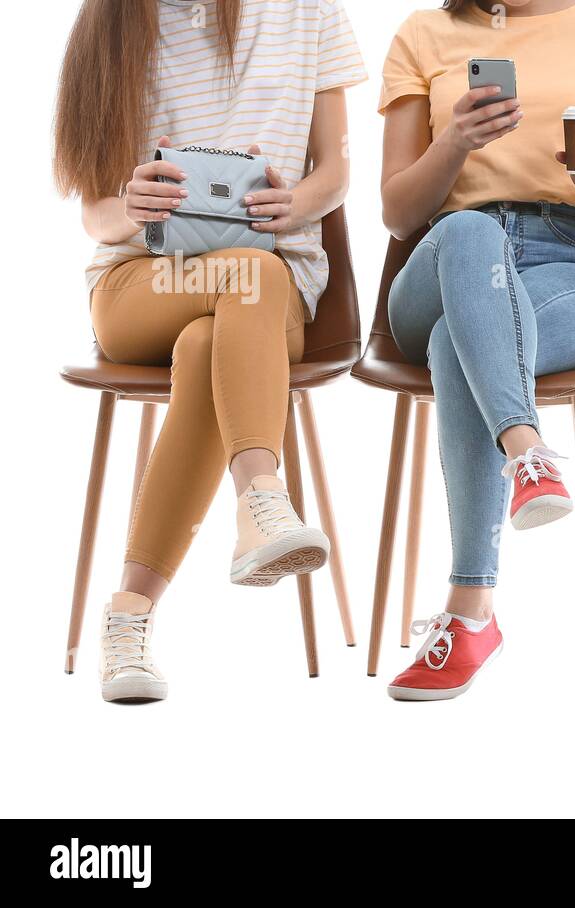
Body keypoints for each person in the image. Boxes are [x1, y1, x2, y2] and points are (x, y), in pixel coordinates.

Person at [52, 0, 366, 702]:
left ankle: (127, 617)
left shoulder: (308, 12)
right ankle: (260, 496)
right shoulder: (111, 24)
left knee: (214, 333)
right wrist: (129, 205)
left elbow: (335, 171)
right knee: (243, 279)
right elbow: (95, 216)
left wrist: (298, 203)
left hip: (269, 288)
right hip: (139, 285)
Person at [377, 0, 575, 700]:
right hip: (447, 260)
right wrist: (453, 142)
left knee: (463, 343)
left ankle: (469, 612)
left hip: (574, 261)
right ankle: (526, 450)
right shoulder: (424, 34)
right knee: (475, 237)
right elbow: (396, 211)